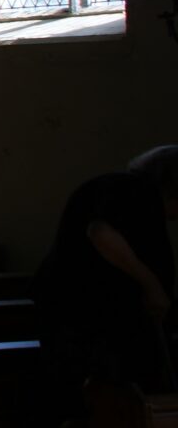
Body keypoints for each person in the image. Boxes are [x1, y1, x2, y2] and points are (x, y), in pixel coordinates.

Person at [35, 145, 178, 421]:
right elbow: (100, 232)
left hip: (82, 317)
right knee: (92, 402)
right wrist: (152, 286)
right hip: (83, 320)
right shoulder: (132, 189)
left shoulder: (127, 191)